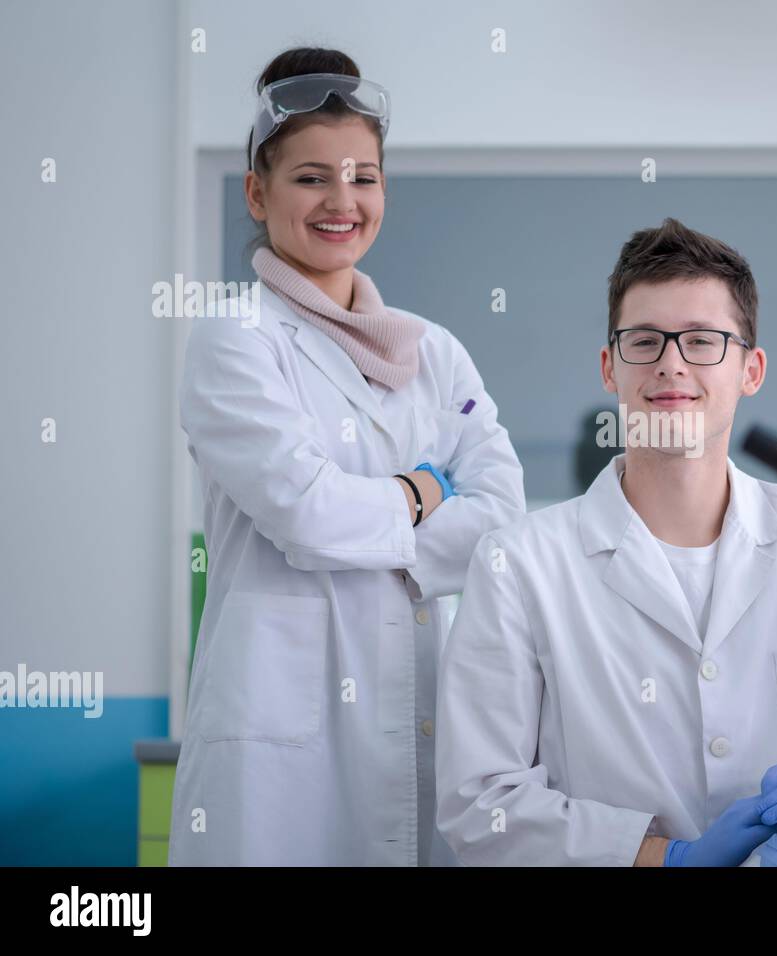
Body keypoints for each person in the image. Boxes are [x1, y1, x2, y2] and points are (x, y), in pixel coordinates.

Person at [169, 48, 525, 866]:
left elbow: (501, 516)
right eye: (311, 178)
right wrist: (424, 489)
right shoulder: (236, 339)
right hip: (279, 745)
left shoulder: (434, 351)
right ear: (258, 193)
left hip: (422, 720)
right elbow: (306, 512)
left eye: (364, 177)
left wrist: (370, 518)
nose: (342, 201)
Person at [436, 218, 777, 866]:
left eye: (702, 341)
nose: (672, 363)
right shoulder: (519, 565)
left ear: (751, 369)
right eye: (645, 341)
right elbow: (480, 804)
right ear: (609, 367)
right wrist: (663, 859)